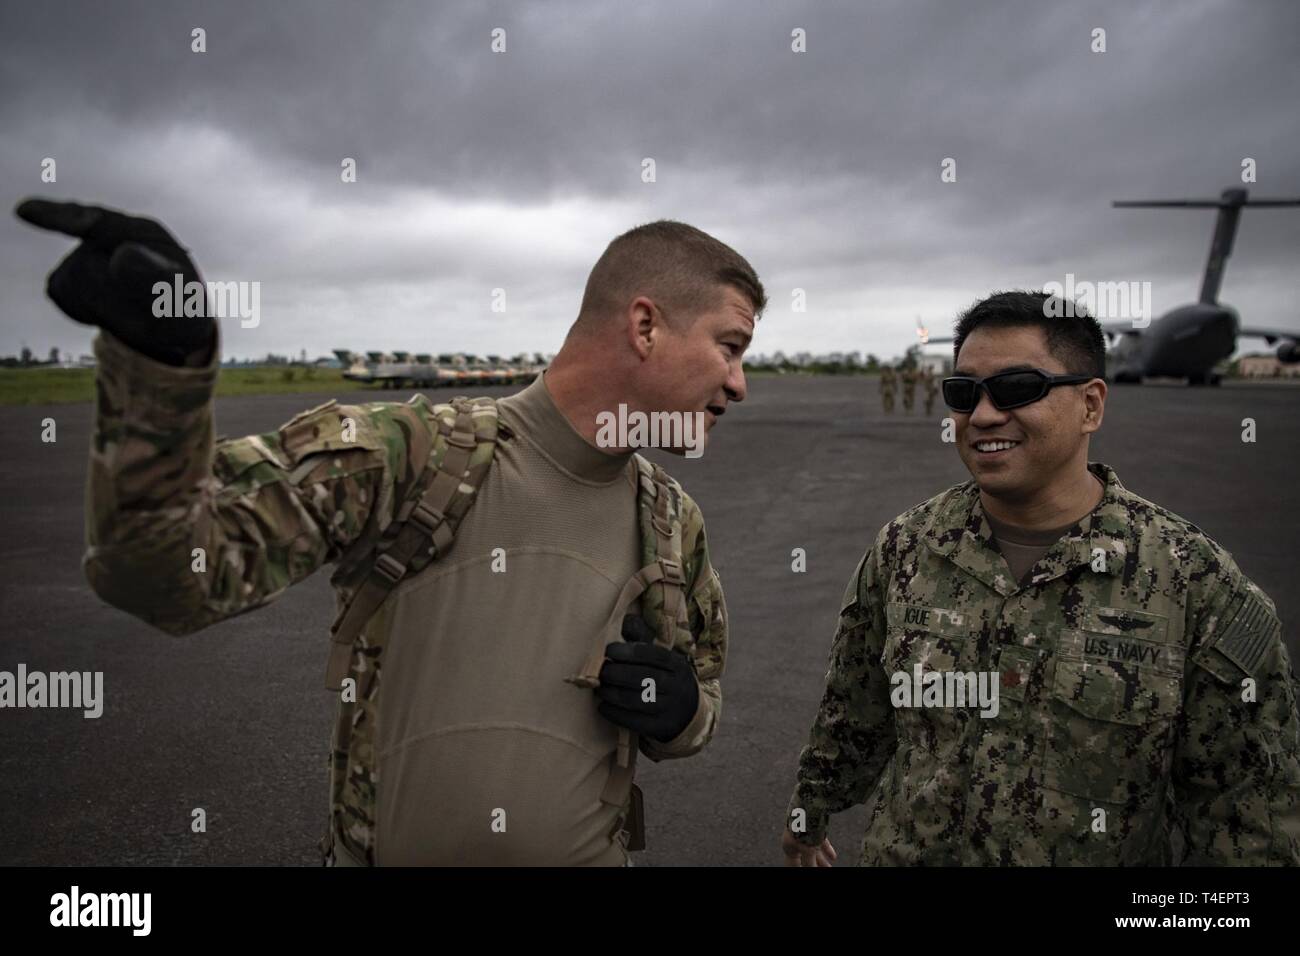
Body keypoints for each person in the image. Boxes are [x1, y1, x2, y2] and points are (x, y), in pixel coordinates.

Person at [16, 198, 765, 866]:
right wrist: (161, 372)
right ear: (644, 326)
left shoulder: (669, 521)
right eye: (729, 347)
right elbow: (164, 578)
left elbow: (701, 701)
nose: (738, 382)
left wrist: (680, 712)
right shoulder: (415, 454)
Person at [782, 290, 1299, 866]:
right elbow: (854, 707)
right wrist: (810, 812)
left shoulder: (1193, 580)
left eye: (1017, 388)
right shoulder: (907, 547)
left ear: (1091, 405)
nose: (982, 415)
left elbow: (1248, 810)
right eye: (964, 393)